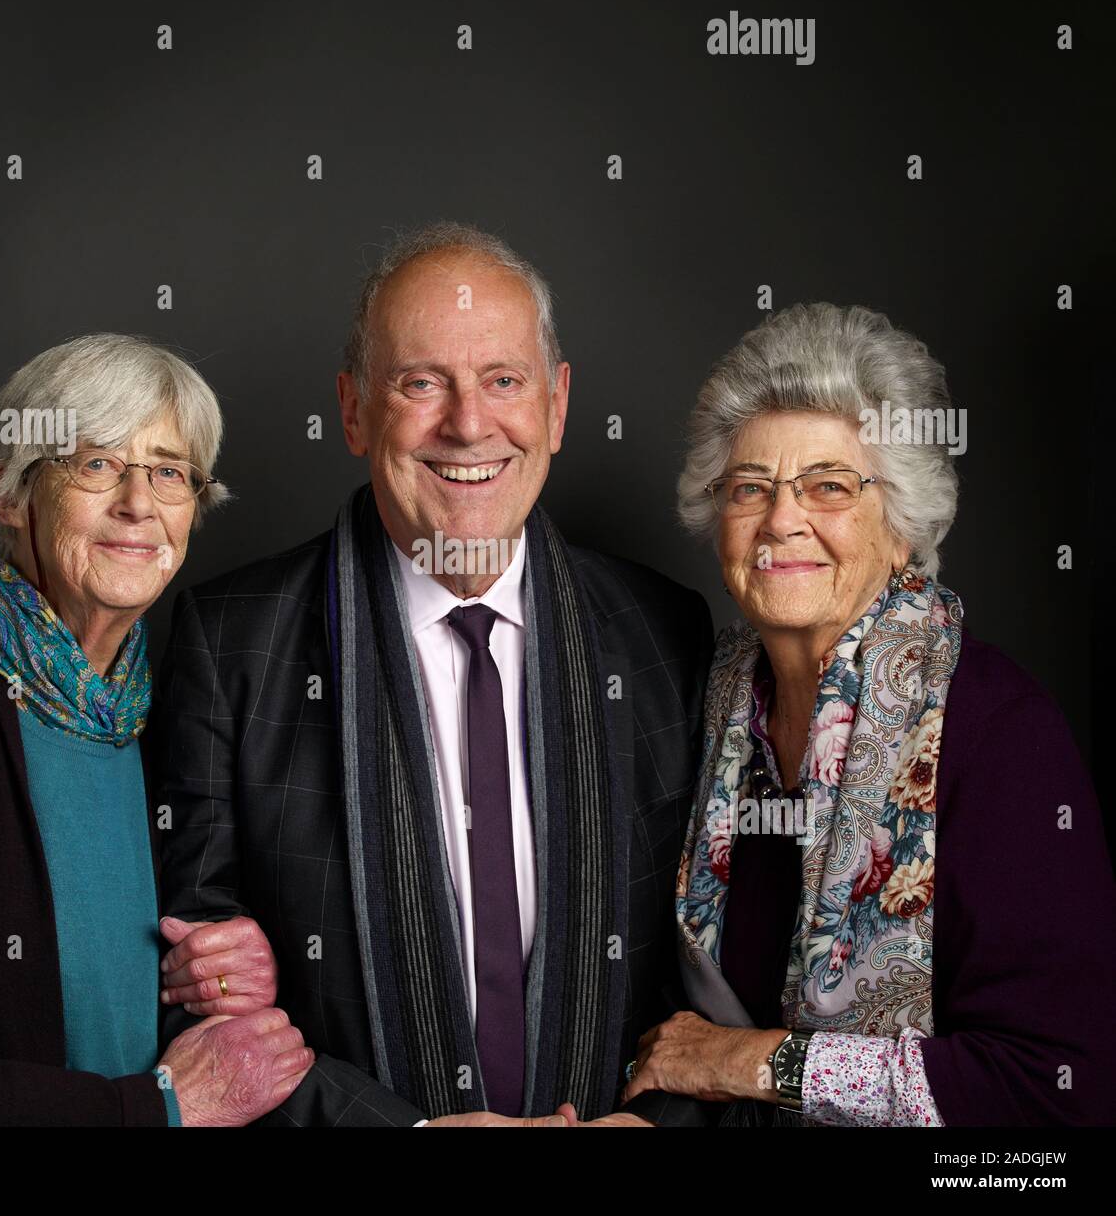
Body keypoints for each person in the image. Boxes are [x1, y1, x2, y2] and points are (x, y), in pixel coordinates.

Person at [152, 223, 715, 1126]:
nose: (467, 423)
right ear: (353, 410)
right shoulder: (231, 641)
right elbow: (199, 985)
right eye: (421, 383)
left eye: (504, 380)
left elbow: (717, 965)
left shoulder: (662, 633)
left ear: (559, 406)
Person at [623, 302, 1116, 1125]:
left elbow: (1057, 1087)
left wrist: (757, 1063)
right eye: (752, 488)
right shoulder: (709, 702)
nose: (784, 521)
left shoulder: (999, 734)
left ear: (902, 527)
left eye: (829, 486)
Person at [0, 333, 312, 1126]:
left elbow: (149, 983)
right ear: (11, 494)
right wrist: (153, 1112)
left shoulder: (169, 718)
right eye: (96, 465)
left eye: (169, 472)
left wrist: (228, 967)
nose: (139, 503)